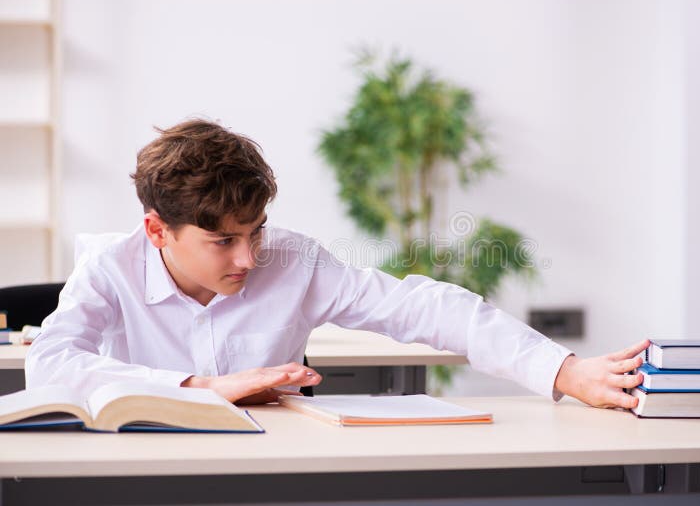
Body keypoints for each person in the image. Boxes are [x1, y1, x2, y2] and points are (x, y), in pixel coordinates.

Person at [26, 119, 649, 408]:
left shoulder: (292, 260)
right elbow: (50, 365)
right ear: (157, 230)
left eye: (257, 232)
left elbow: (424, 305)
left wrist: (563, 370)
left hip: (274, 472)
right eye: (223, 241)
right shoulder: (110, 266)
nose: (249, 258)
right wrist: (201, 388)